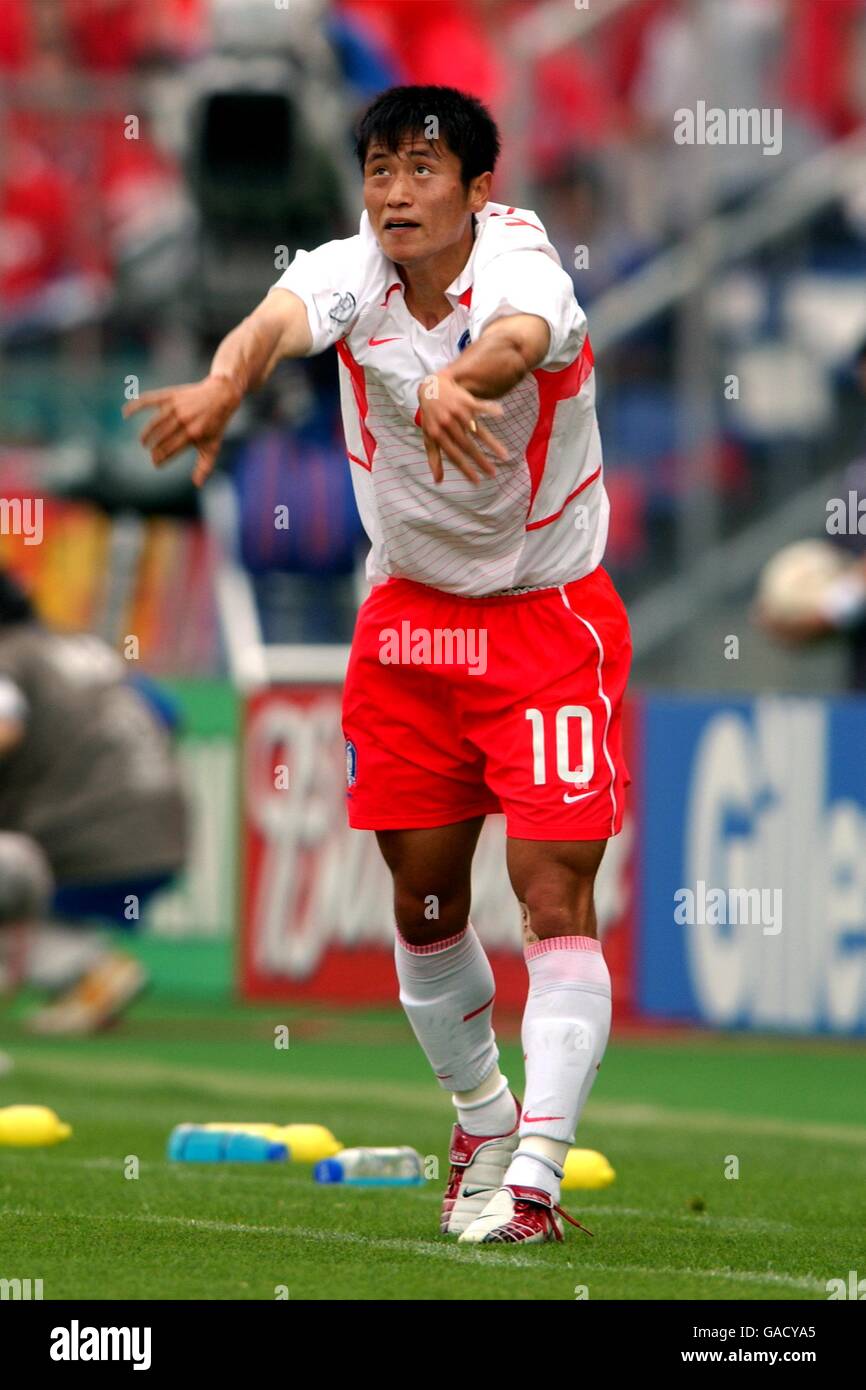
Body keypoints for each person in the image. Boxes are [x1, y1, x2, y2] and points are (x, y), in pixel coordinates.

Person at [125, 84, 631, 1245]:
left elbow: (516, 343)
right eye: (380, 170)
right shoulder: (353, 267)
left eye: (422, 169)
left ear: (478, 188)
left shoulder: (521, 271)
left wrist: (464, 380)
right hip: (408, 625)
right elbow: (271, 320)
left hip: (546, 616)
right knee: (423, 899)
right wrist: (220, 383)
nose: (396, 192)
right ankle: (481, 1117)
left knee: (552, 892)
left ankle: (537, 1181)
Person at [0, 572, 189, 1034]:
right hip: (165, 829)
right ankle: (80, 972)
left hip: (90, 838)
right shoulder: (83, 646)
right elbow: (170, 712)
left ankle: (85, 966)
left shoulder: (8, 655)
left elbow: (5, 729)